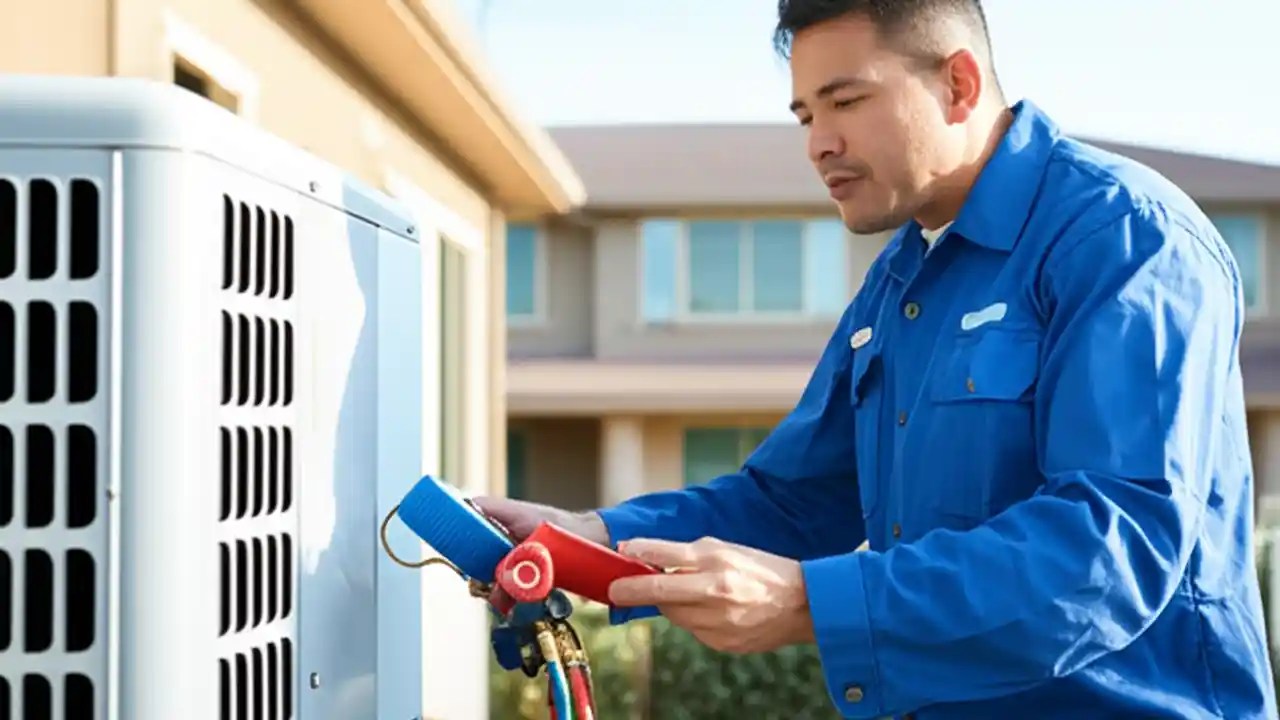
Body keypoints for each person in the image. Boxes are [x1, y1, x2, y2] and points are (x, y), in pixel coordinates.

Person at [476, 1, 1278, 717]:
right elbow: (791, 503)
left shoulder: (1124, 238)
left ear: (958, 84)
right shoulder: (899, 279)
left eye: (847, 102)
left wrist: (808, 603)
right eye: (804, 116)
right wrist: (584, 538)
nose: (819, 144)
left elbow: (1110, 546)